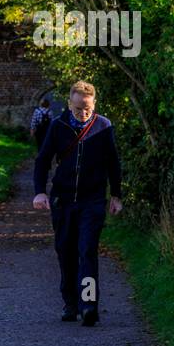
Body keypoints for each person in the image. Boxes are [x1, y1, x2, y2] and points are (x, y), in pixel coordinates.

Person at [32, 80, 123, 327]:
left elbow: (113, 162)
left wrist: (116, 195)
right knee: (65, 251)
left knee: (87, 251)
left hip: (92, 200)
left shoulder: (103, 126)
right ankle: (70, 303)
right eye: (78, 109)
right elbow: (42, 161)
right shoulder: (58, 126)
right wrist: (40, 192)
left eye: (87, 109)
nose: (83, 114)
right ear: (69, 104)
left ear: (94, 105)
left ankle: (89, 305)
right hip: (63, 200)